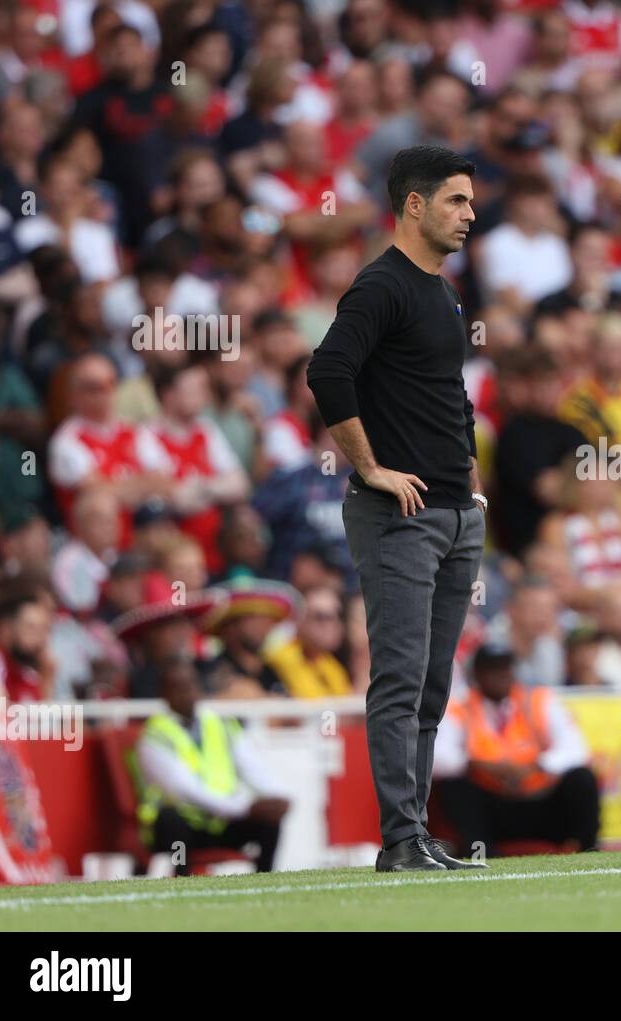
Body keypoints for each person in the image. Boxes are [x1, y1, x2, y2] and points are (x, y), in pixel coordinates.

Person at [306, 145, 487, 873]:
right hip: (400, 518)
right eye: (456, 201)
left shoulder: (442, 291)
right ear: (414, 205)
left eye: (470, 202)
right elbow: (328, 370)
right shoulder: (380, 286)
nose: (470, 214)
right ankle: (400, 839)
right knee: (401, 678)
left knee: (433, 687)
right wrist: (371, 468)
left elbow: (449, 392)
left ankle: (414, 834)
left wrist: (471, 481)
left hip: (453, 512)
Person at [433, 641, 600, 857]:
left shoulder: (539, 700)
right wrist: (478, 765)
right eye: (492, 669)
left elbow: (577, 749)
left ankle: (589, 850)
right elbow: (437, 759)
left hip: (539, 800)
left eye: (506, 667)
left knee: (582, 778)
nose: (501, 674)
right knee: (455, 786)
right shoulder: (460, 708)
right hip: (493, 805)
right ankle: (481, 853)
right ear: (477, 674)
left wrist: (537, 766)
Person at [134, 653, 291, 875]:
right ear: (164, 694)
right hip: (181, 828)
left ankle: (264, 880)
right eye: (178, 687)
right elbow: (184, 790)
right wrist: (244, 808)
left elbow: (252, 766)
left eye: (191, 685)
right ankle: (181, 881)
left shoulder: (218, 723)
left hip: (219, 822)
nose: (187, 693)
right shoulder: (155, 736)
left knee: (269, 819)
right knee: (172, 820)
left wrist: (277, 796)